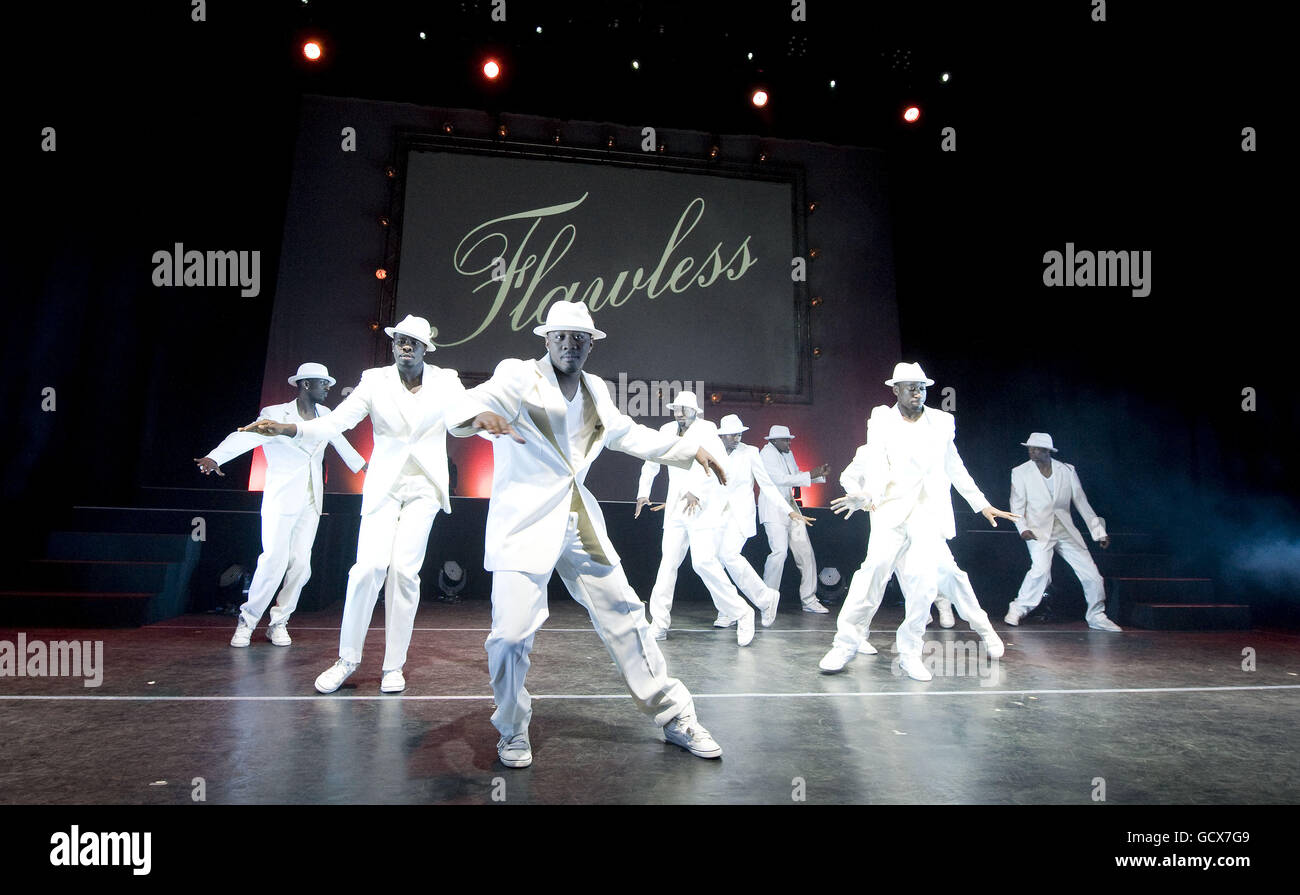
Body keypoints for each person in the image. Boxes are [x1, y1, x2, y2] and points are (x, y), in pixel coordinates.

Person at [446, 301, 727, 769]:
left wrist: (687, 448)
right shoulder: (518, 375)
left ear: (590, 344)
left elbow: (624, 433)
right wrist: (477, 417)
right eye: (561, 337)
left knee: (625, 614)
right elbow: (468, 403)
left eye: (580, 338)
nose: (570, 345)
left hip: (577, 521)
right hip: (523, 524)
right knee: (511, 637)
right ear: (546, 339)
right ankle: (513, 728)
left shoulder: (595, 390)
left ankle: (675, 714)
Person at [241, 314, 464, 694]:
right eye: (400, 341)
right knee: (367, 569)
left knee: (405, 575)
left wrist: (492, 423)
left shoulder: (447, 381)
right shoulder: (374, 380)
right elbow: (337, 422)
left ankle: (393, 667)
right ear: (393, 346)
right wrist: (290, 427)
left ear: (427, 348)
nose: (405, 347)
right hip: (385, 485)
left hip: (425, 486)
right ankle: (348, 659)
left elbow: (463, 420)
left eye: (413, 342)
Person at [822, 362, 1015, 680]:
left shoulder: (942, 422)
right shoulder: (881, 419)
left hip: (927, 515)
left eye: (922, 387)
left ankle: (910, 653)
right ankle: (844, 644)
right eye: (910, 386)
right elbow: (875, 460)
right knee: (871, 575)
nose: (917, 392)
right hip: (889, 511)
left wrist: (981, 504)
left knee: (925, 586)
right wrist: (865, 495)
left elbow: (955, 467)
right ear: (895, 390)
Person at [196, 363, 366, 648]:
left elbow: (343, 444)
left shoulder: (325, 416)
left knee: (301, 565)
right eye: (323, 383)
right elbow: (246, 436)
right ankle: (247, 621)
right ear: (305, 385)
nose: (328, 388)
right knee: (274, 561)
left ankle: (279, 622)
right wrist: (216, 457)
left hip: (311, 500)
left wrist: (366, 468)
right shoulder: (275, 415)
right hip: (281, 497)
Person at [636, 393, 757, 646]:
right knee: (667, 564)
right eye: (676, 408)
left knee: (703, 563)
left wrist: (696, 490)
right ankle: (658, 623)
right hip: (676, 510)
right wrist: (643, 492)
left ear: (695, 411)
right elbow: (652, 459)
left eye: (684, 409)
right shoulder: (667, 429)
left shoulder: (707, 429)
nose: (679, 413)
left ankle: (742, 613)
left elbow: (717, 463)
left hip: (701, 507)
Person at [1006, 432, 1121, 631]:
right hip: (1037, 530)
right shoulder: (1020, 472)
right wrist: (1022, 528)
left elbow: (1081, 502)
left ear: (1047, 451)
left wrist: (1098, 531)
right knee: (1041, 571)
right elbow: (1016, 505)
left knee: (1092, 575)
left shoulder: (1066, 470)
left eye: (1036, 448)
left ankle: (1097, 615)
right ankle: (1018, 608)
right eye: (1030, 448)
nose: (1031, 451)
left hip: (1065, 530)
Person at [712, 413, 812, 627]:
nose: (737, 439)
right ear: (722, 436)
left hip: (740, 516)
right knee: (713, 563)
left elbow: (767, 485)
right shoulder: (713, 452)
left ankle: (764, 599)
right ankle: (727, 610)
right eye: (732, 435)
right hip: (716, 515)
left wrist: (789, 510)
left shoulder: (751, 453)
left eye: (739, 435)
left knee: (728, 555)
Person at [759, 425, 831, 613]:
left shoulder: (787, 453)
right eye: (785, 440)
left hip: (791, 507)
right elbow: (781, 479)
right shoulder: (766, 454)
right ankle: (768, 600)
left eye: (790, 439)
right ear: (773, 441)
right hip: (774, 510)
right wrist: (811, 475)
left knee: (805, 552)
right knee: (779, 553)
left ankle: (809, 599)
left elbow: (795, 476)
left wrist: (817, 476)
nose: (789, 442)